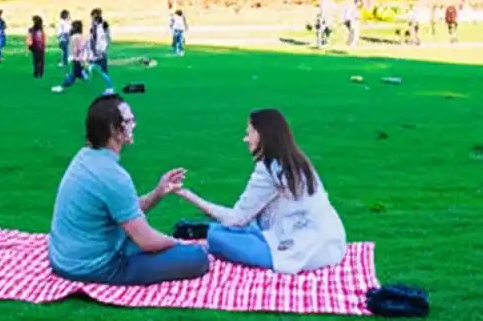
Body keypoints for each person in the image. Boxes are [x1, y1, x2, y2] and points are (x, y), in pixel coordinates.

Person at [48, 94, 209, 285]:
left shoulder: (84, 158)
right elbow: (145, 240)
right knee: (196, 257)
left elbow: (124, 210)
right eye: (129, 121)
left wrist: (158, 193)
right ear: (114, 130)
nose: (134, 125)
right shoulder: (112, 175)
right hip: (94, 266)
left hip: (65, 258)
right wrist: (177, 244)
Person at [173, 109, 347, 274]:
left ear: (262, 136)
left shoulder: (269, 169)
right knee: (248, 226)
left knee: (217, 237)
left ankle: (206, 231)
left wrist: (187, 194)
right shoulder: (299, 162)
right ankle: (209, 230)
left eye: (249, 133)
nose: (245, 139)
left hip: (301, 251)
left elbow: (237, 219)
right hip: (330, 242)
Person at [52, 20, 89, 93]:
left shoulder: (74, 37)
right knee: (73, 75)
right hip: (81, 59)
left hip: (77, 59)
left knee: (74, 74)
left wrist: (71, 58)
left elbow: (74, 49)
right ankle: (84, 75)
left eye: (72, 26)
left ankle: (61, 87)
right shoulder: (82, 36)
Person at [87, 20, 115, 93]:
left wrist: (94, 55)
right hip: (101, 55)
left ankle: (110, 87)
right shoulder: (103, 35)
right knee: (102, 71)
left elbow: (94, 47)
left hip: (98, 56)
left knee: (102, 72)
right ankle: (108, 87)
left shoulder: (98, 35)